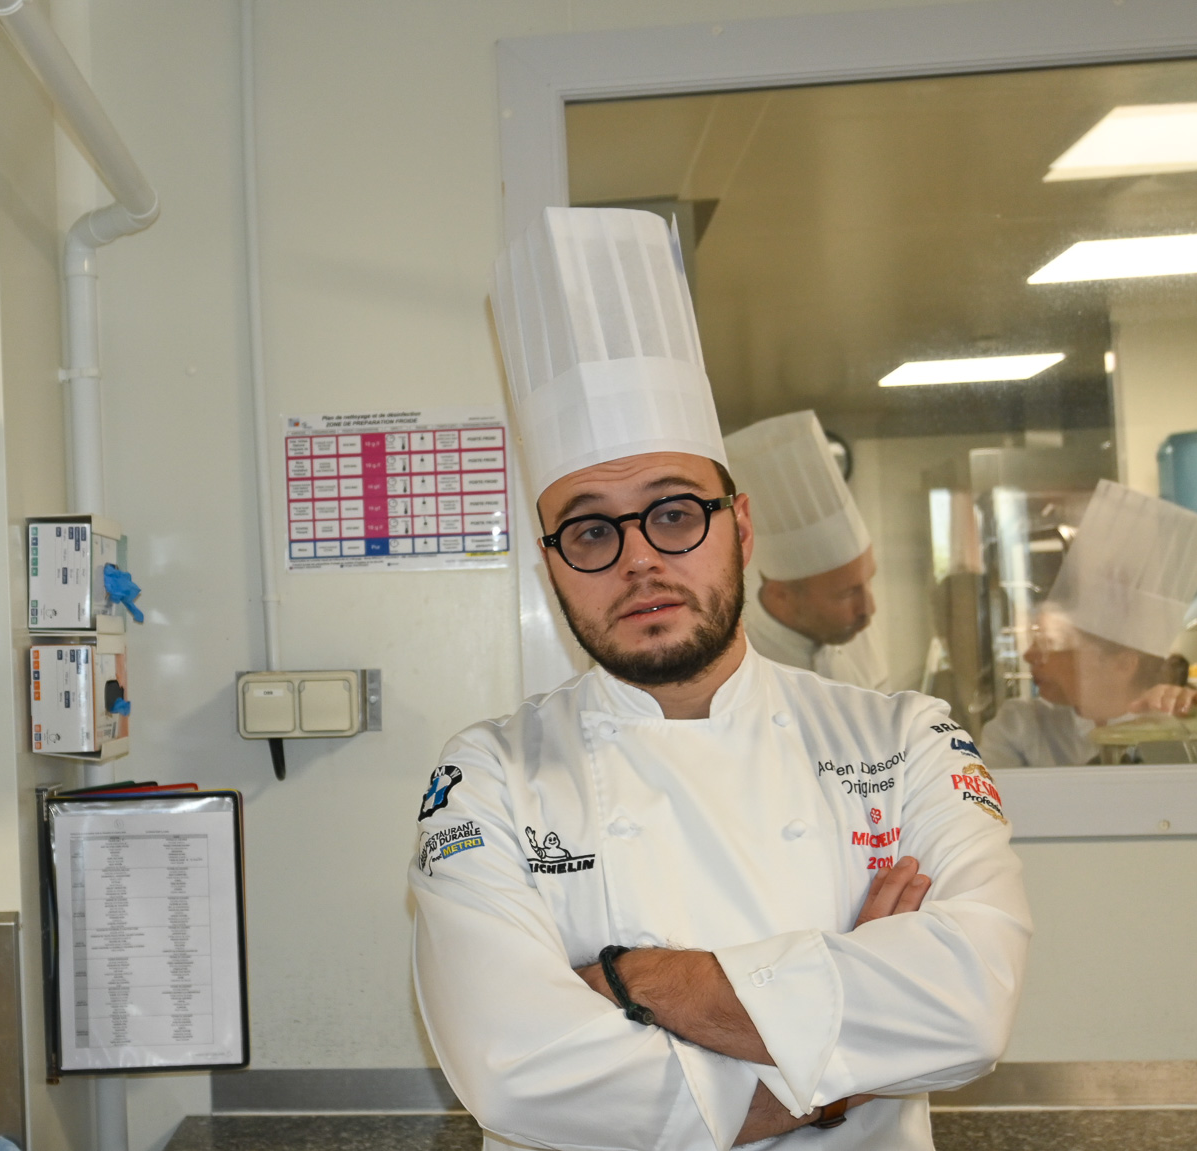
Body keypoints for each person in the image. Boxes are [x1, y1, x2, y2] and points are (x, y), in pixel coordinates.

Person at [417, 206, 1030, 1150]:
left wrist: (640, 979)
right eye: (590, 529)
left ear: (741, 528)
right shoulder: (489, 775)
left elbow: (967, 1002)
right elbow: (516, 1069)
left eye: (674, 512)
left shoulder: (904, 738)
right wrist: (832, 1062)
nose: (639, 562)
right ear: (551, 564)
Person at [983, 479, 1197, 767]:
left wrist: (1168, 726)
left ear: (1123, 664)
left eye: (1050, 644)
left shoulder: (1180, 718)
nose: (1029, 656)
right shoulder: (1021, 727)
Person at [725, 410, 889, 690]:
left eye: (867, 581)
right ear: (781, 594)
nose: (869, 609)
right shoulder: (737, 668)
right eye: (847, 593)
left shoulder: (853, 630)